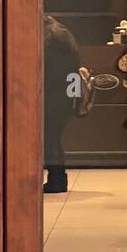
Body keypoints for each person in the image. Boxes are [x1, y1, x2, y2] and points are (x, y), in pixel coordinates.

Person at [43, 15, 83, 193]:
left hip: (53, 93)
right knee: (53, 137)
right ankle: (57, 178)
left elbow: (48, 69)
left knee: (49, 138)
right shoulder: (63, 33)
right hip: (65, 93)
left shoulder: (49, 35)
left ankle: (57, 179)